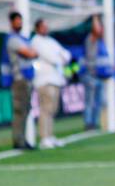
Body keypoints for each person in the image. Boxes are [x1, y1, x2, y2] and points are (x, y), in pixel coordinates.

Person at [31, 19, 70, 149]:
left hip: (56, 79)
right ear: (37, 28)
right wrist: (60, 59)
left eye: (46, 26)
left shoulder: (51, 41)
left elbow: (66, 53)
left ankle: (50, 135)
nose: (45, 28)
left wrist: (62, 58)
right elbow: (50, 57)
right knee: (46, 109)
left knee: (53, 109)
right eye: (43, 26)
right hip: (44, 80)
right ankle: (44, 138)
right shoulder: (36, 41)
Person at [5, 11, 38, 149]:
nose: (20, 23)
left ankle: (22, 139)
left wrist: (32, 52)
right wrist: (32, 53)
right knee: (20, 110)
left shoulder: (22, 39)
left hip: (26, 79)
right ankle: (18, 141)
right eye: (17, 21)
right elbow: (30, 53)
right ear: (12, 23)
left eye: (20, 20)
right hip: (19, 79)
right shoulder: (13, 40)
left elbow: (33, 52)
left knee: (25, 110)